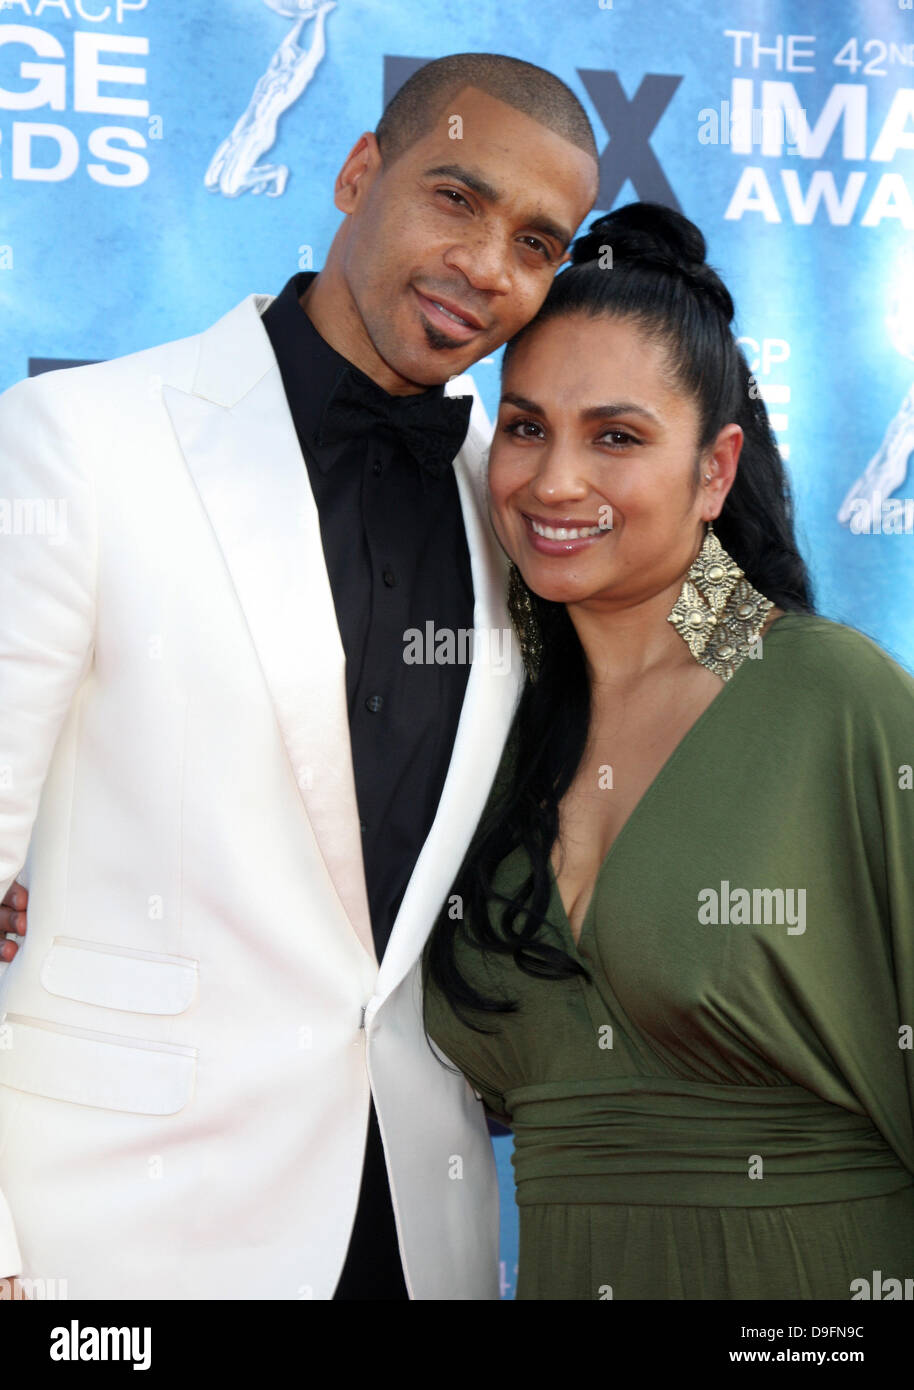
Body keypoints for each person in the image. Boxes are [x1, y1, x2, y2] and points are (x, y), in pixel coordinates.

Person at [0, 53, 598, 1299]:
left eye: (536, 243)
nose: (488, 268)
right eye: (454, 198)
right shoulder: (85, 443)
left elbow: (706, 610)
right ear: (357, 172)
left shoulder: (517, 499)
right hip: (118, 1230)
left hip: (415, 1224)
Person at [423, 202, 914, 1300]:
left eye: (615, 436)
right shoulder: (492, 726)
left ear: (712, 469)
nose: (553, 482)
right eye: (524, 425)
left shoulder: (827, 699)